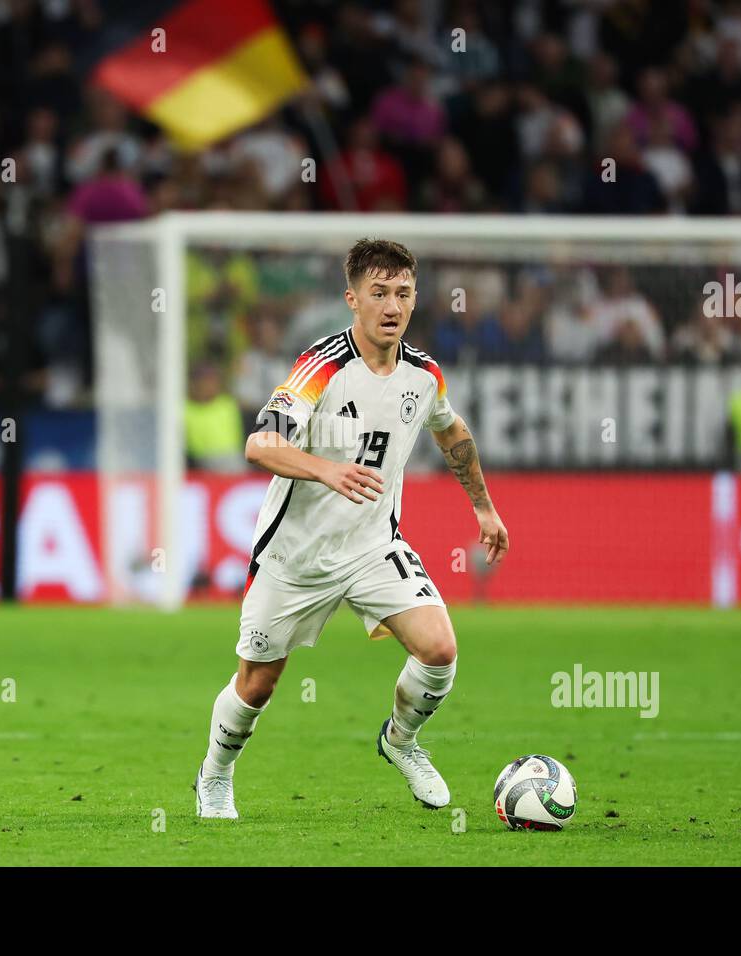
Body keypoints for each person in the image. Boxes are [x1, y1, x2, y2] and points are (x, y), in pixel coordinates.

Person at [193, 238, 510, 819]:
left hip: (372, 547)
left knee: (439, 650)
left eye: (403, 294)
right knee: (257, 685)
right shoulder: (321, 366)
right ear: (352, 299)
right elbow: (259, 444)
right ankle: (215, 774)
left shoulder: (423, 375)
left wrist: (483, 508)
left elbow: (452, 432)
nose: (392, 306)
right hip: (294, 557)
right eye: (379, 293)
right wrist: (326, 470)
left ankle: (401, 741)